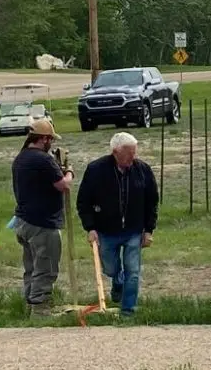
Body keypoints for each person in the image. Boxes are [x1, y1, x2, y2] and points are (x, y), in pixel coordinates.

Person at [76, 131, 159, 317]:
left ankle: (128, 311)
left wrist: (148, 230)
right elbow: (83, 201)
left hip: (134, 231)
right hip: (106, 230)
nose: (133, 157)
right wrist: (90, 228)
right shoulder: (96, 170)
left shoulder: (143, 170)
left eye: (135, 152)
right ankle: (117, 281)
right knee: (111, 268)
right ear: (115, 152)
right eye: (129, 153)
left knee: (133, 271)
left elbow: (152, 201)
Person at [10, 119, 72, 318]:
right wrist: (69, 172)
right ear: (43, 139)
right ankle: (40, 310)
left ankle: (28, 306)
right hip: (42, 224)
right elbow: (62, 185)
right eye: (50, 140)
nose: (51, 144)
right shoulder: (43, 160)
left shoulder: (21, 158)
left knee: (31, 268)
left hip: (24, 221)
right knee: (46, 268)